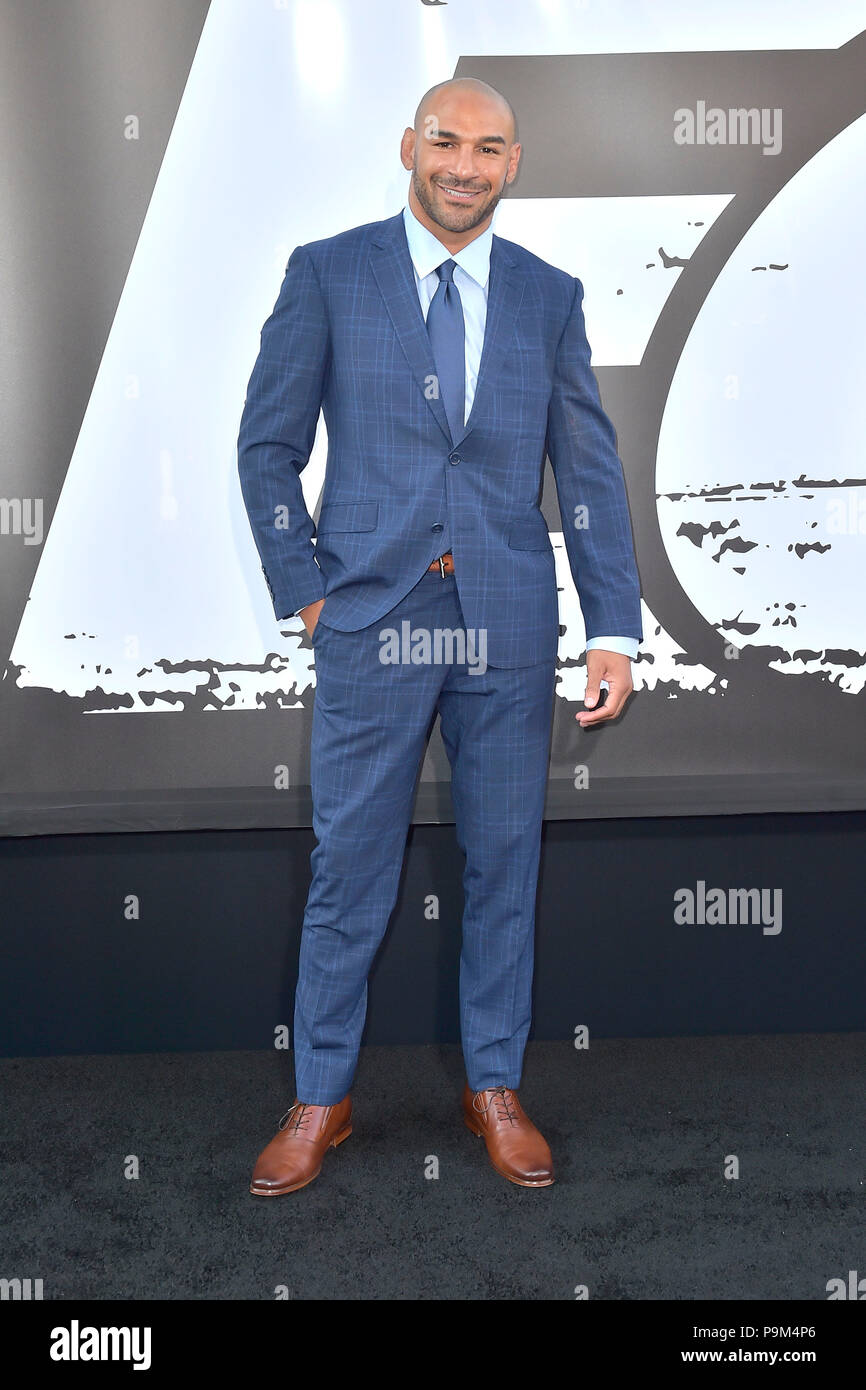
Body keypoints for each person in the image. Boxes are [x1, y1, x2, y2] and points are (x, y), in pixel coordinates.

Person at [237, 77, 642, 1194]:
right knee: (348, 870)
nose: (463, 164)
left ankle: (494, 1086)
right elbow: (265, 447)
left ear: (516, 163)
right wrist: (310, 592)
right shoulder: (327, 272)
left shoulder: (548, 296)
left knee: (505, 862)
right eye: (445, 140)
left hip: (507, 624)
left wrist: (612, 625)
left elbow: (589, 473)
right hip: (370, 619)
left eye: (488, 148)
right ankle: (319, 1097)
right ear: (409, 146)